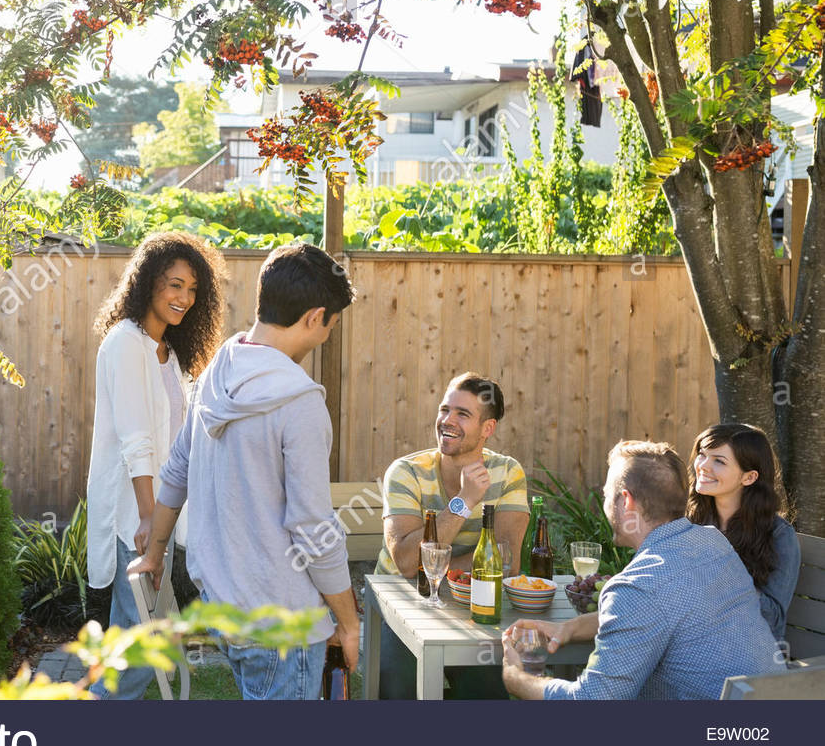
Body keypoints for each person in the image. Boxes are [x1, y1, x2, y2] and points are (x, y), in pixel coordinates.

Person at [130, 243, 360, 700]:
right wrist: (349, 623)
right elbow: (313, 528)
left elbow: (176, 472)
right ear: (315, 317)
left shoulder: (216, 372)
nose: (327, 336)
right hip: (282, 625)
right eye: (331, 326)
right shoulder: (301, 403)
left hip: (226, 608)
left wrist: (155, 554)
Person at [502, 440, 785, 700]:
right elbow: (664, 611)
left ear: (626, 502)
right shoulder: (712, 544)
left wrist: (516, 679)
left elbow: (593, 702)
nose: (604, 503)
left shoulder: (638, 587)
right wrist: (570, 628)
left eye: (606, 495)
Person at [85, 231, 226, 699]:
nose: (184, 298)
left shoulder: (171, 354)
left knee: (137, 641)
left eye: (191, 289)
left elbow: (179, 440)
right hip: (134, 520)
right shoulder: (127, 344)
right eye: (174, 285)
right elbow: (136, 440)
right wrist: (150, 519)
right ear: (147, 283)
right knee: (148, 642)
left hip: (158, 517)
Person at [374, 372, 528, 698]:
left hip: (469, 608)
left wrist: (434, 567)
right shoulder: (406, 473)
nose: (448, 420)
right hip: (403, 604)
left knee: (486, 690)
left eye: (463, 414)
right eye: (445, 410)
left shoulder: (507, 473)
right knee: (399, 689)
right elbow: (404, 563)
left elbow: (506, 562)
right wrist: (464, 501)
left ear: (488, 429)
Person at [686, 423, 800, 643]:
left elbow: (773, 619)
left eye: (719, 461)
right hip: (692, 642)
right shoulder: (692, 520)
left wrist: (724, 570)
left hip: (747, 651)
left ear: (748, 477)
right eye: (702, 455)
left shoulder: (779, 535)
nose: (703, 466)